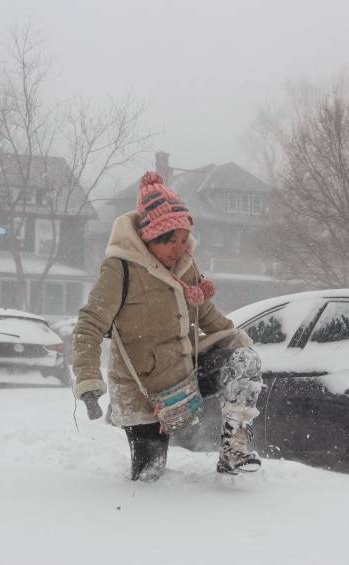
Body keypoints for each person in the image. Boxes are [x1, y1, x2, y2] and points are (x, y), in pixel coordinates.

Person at [72, 171, 263, 481]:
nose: (179, 248)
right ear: (150, 237)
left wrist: (242, 343)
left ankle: (235, 450)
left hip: (185, 373)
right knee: (150, 476)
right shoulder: (120, 268)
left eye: (183, 239)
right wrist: (89, 380)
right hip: (142, 390)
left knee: (244, 360)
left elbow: (207, 315)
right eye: (170, 240)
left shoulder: (185, 268)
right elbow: (89, 324)